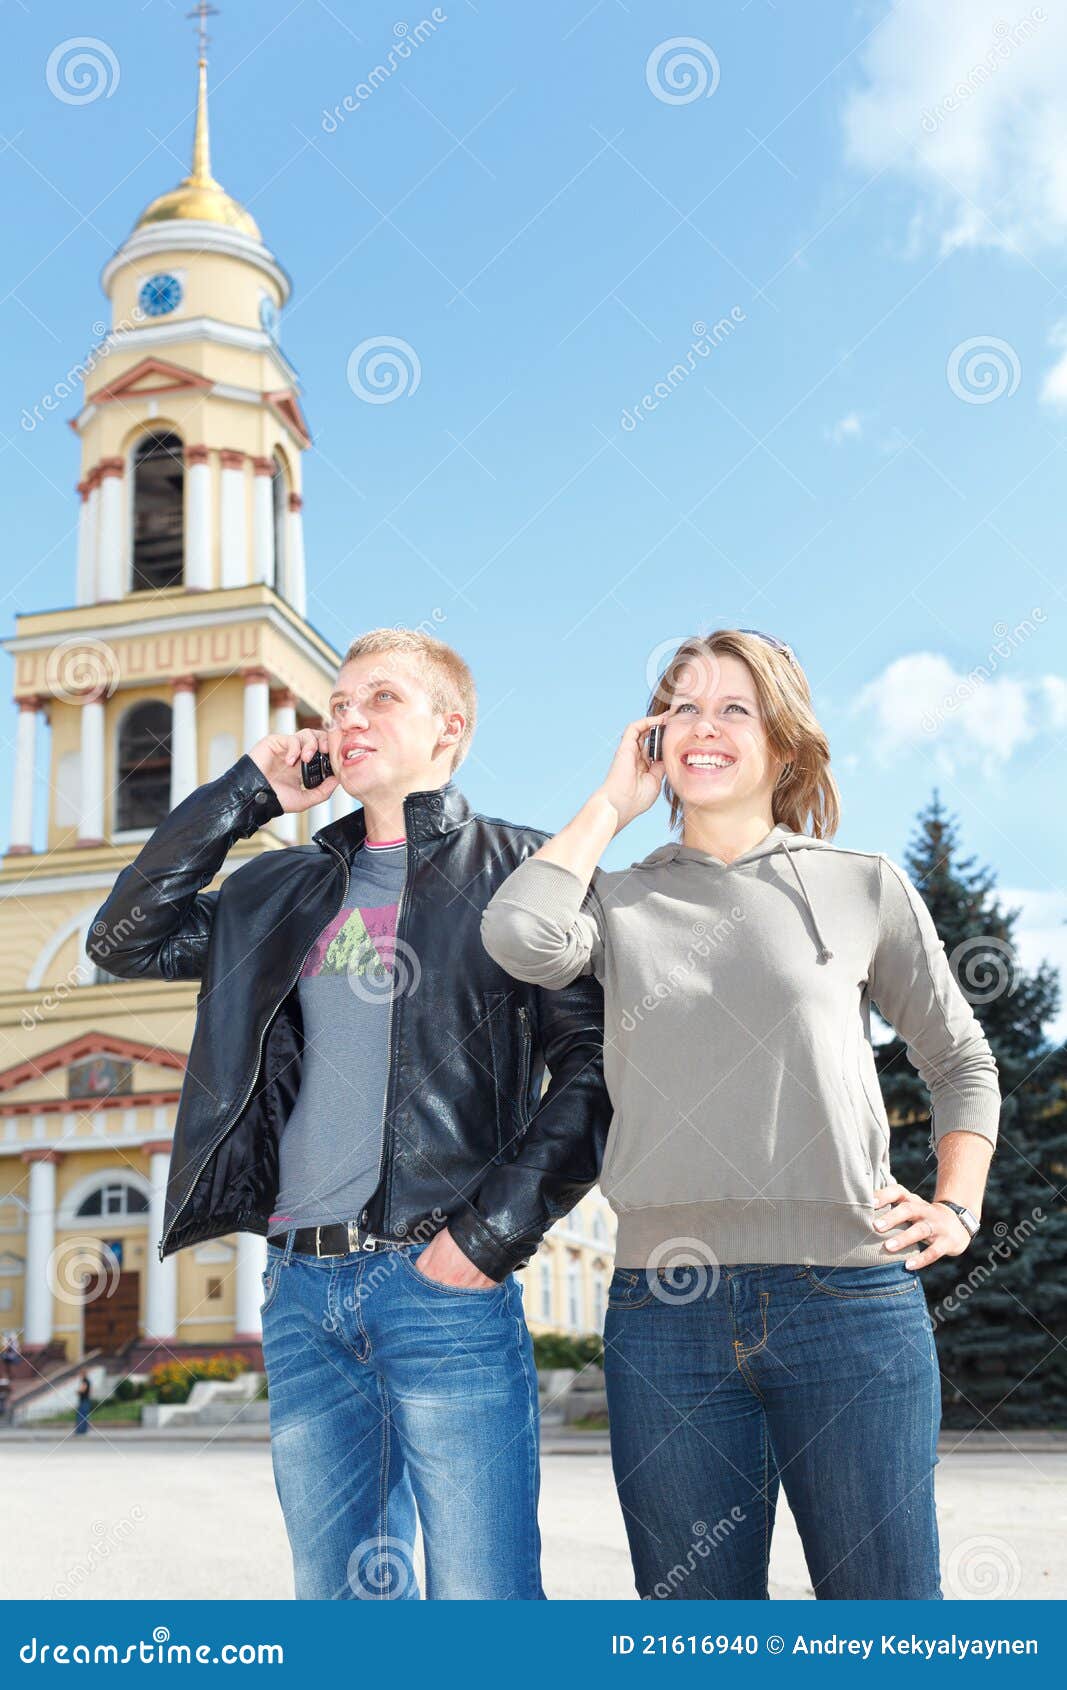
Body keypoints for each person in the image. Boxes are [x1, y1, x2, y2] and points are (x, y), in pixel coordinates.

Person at [88, 628, 610, 1601]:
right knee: (337, 1602)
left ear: (448, 728)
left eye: (380, 699)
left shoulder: (525, 869)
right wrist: (244, 794)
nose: (347, 718)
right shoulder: (276, 889)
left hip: (442, 1284)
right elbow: (123, 938)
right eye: (337, 704)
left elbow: (594, 1072)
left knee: (482, 1601)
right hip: (300, 1294)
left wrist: (484, 1239)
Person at [481, 628, 999, 1601]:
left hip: (847, 1301)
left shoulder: (859, 884)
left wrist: (957, 1206)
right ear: (652, 739)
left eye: (733, 707)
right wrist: (610, 802)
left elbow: (960, 1060)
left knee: (886, 1622)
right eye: (682, 707)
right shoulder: (617, 902)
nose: (703, 727)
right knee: (695, 1634)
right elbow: (516, 935)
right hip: (662, 1313)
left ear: (784, 743)